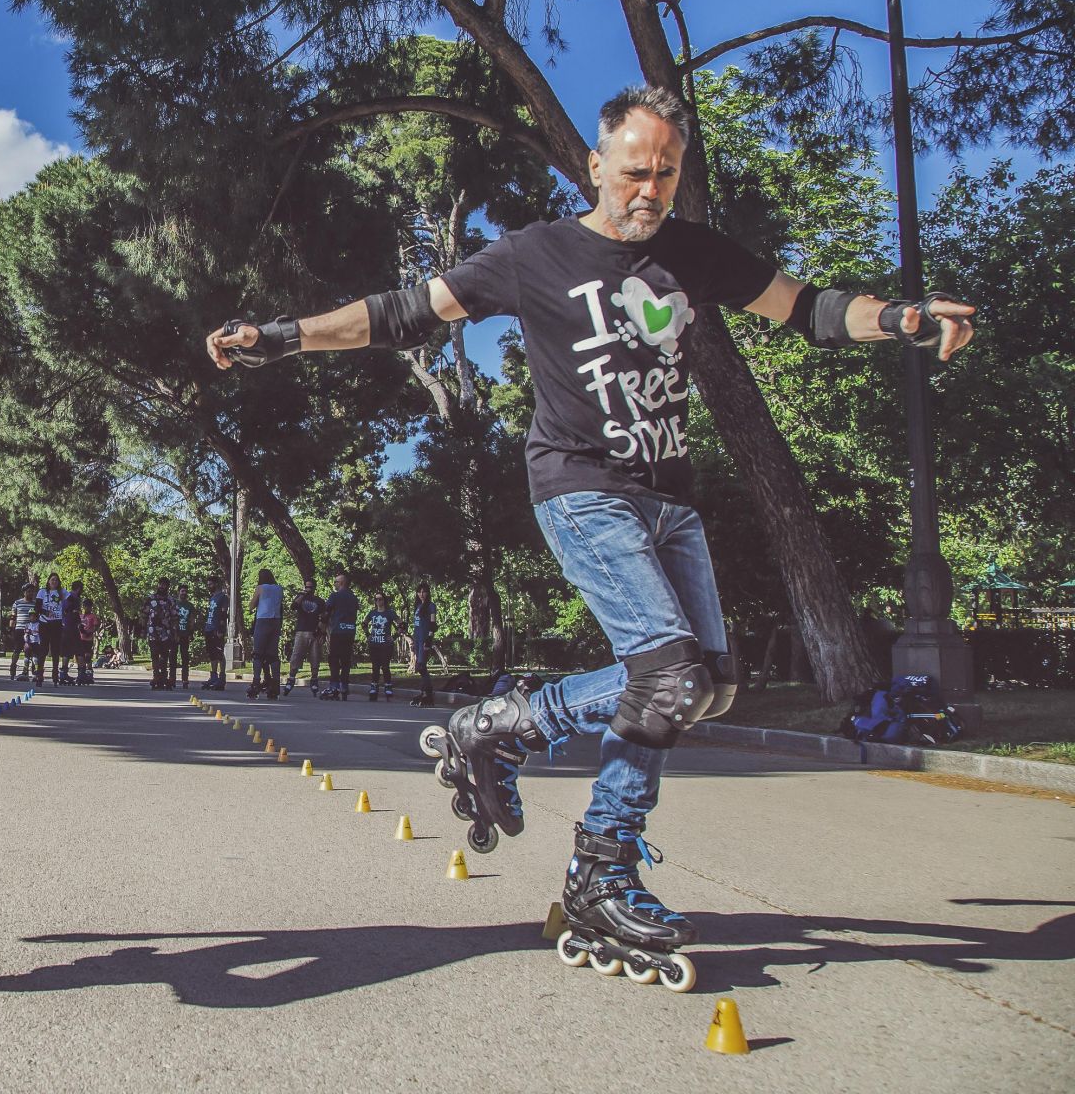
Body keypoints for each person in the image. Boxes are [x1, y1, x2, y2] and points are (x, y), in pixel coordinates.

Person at [205, 83, 977, 988]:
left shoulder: (693, 252)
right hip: (580, 487)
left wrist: (898, 319)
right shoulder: (535, 254)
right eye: (637, 172)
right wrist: (285, 338)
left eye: (668, 174)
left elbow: (804, 306)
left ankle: (503, 725)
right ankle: (602, 868)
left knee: (710, 689)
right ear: (597, 165)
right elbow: (405, 311)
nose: (651, 190)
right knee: (667, 674)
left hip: (671, 497)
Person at [246, 568, 284, 699]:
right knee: (272, 654)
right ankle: (275, 684)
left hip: (263, 621)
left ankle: (256, 682)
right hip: (276, 622)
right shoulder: (279, 589)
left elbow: (251, 606)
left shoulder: (260, 588)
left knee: (258, 654)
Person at [320, 573, 359, 700]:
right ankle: (344, 686)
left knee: (334, 659)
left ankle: (334, 686)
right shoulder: (353, 597)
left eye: (336, 582)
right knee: (346, 660)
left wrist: (322, 629)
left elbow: (326, 613)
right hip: (350, 631)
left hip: (338, 631)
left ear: (341, 583)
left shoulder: (335, 596)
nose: (334, 584)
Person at [285, 579, 325, 697]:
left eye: (311, 587)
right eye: (307, 587)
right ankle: (291, 678)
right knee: (296, 656)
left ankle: (314, 680)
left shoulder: (319, 601)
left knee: (315, 657)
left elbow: (324, 617)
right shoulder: (300, 598)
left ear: (315, 588)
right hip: (301, 631)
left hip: (314, 632)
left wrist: (322, 633)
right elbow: (293, 606)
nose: (309, 589)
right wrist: (302, 595)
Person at [142, 578, 179, 689]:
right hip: (153, 631)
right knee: (154, 655)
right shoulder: (151, 599)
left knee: (164, 655)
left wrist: (175, 632)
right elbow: (144, 615)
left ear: (168, 587)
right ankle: (156, 675)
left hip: (166, 632)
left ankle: (163, 675)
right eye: (160, 584)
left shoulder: (170, 600)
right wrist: (143, 629)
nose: (162, 587)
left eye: (164, 585)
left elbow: (175, 617)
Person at [365, 592, 399, 701]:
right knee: (375, 667)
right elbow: (364, 624)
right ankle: (374, 687)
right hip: (374, 643)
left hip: (385, 644)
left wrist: (395, 636)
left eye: (380, 599)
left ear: (384, 600)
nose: (378, 601)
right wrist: (367, 635)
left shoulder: (390, 613)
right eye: (376, 599)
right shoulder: (372, 613)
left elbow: (402, 624)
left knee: (385, 666)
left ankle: (388, 686)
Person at [408, 583, 437, 706]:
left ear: (428, 593)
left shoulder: (431, 606)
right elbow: (417, 625)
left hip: (425, 639)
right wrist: (414, 641)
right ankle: (424, 692)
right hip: (418, 639)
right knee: (419, 667)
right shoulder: (418, 606)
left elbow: (433, 623)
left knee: (421, 666)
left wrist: (429, 638)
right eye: (419, 592)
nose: (421, 594)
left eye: (424, 592)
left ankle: (428, 694)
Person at [37, 572, 67, 686]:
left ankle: (55, 675)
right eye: (52, 579)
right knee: (43, 649)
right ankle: (40, 675)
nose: (54, 582)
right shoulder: (42, 592)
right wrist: (45, 612)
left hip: (57, 623)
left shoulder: (62, 592)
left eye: (56, 580)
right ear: (48, 581)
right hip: (44, 622)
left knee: (55, 650)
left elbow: (72, 601)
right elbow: (37, 607)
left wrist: (68, 610)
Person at [200, 578, 229, 690]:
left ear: (216, 584)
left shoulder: (222, 597)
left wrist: (221, 629)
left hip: (217, 628)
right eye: (208, 584)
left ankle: (222, 677)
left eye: (211, 584)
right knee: (212, 653)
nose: (209, 586)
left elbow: (223, 613)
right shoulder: (212, 597)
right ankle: (213, 676)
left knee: (219, 652)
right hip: (209, 628)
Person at [7, 583, 38, 680]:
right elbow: (13, 616)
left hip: (31, 630)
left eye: (32, 592)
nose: (30, 593)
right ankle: (13, 667)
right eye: (28, 592)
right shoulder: (17, 603)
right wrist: (11, 629)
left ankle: (33, 671)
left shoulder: (35, 603)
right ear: (24, 592)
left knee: (31, 650)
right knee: (17, 649)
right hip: (19, 629)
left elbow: (38, 616)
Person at [59, 579, 85, 685]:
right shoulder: (74, 598)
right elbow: (72, 612)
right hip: (72, 627)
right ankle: (81, 674)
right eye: (81, 589)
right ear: (78, 588)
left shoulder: (66, 596)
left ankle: (63, 673)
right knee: (79, 651)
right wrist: (79, 623)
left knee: (66, 652)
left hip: (65, 626)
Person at [172, 584, 196, 691]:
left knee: (185, 658)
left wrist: (191, 633)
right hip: (174, 634)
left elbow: (191, 620)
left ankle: (185, 679)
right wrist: (174, 632)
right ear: (178, 592)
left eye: (186, 591)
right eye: (182, 591)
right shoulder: (174, 604)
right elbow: (171, 619)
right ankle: (171, 679)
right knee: (172, 657)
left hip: (185, 634)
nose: (184, 593)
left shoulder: (190, 606)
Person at [78, 600, 100, 683]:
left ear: (91, 607)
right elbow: (77, 625)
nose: (87, 608)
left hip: (88, 639)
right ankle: (81, 673)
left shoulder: (92, 616)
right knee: (80, 657)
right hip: (80, 639)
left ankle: (89, 674)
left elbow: (96, 625)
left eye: (89, 606)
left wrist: (91, 632)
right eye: (85, 606)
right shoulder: (80, 616)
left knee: (87, 657)